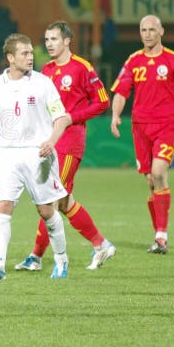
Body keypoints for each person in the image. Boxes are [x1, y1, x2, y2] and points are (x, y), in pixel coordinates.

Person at [15, 21, 115, 273]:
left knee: (51, 198)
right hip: (48, 142)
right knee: (62, 199)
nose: (49, 44)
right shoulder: (46, 70)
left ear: (67, 41)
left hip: (70, 142)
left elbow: (103, 102)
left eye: (54, 39)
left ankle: (36, 257)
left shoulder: (82, 68)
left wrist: (73, 116)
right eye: (46, 39)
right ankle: (101, 244)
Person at [0, 33, 72, 280]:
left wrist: (51, 141)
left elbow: (61, 117)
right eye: (25, 53)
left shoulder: (42, 83)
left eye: (31, 53)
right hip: (7, 155)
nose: (31, 57)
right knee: (3, 207)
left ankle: (61, 260)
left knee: (46, 211)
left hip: (37, 154)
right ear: (10, 57)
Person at [111, 14, 174, 254]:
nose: (147, 34)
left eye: (152, 29)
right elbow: (121, 91)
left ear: (162, 31)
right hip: (140, 127)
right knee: (151, 181)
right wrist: (115, 114)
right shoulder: (133, 61)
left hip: (167, 125)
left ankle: (161, 234)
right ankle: (159, 237)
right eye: (143, 30)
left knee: (159, 172)